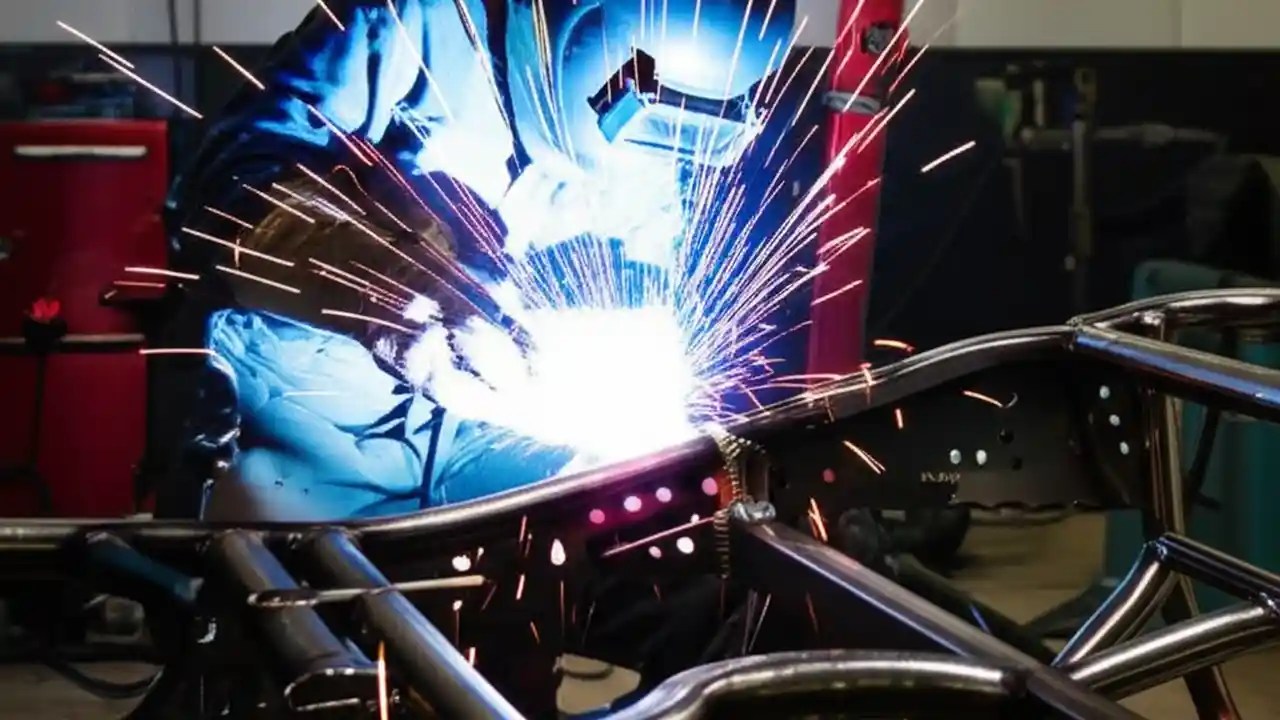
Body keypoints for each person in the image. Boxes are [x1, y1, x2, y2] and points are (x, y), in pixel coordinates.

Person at [162, 0, 794, 523]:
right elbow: (217, 206)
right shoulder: (410, 23)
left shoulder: (674, 137)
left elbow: (646, 294)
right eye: (643, 102)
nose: (658, 146)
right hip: (308, 468)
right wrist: (385, 274)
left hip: (492, 471)